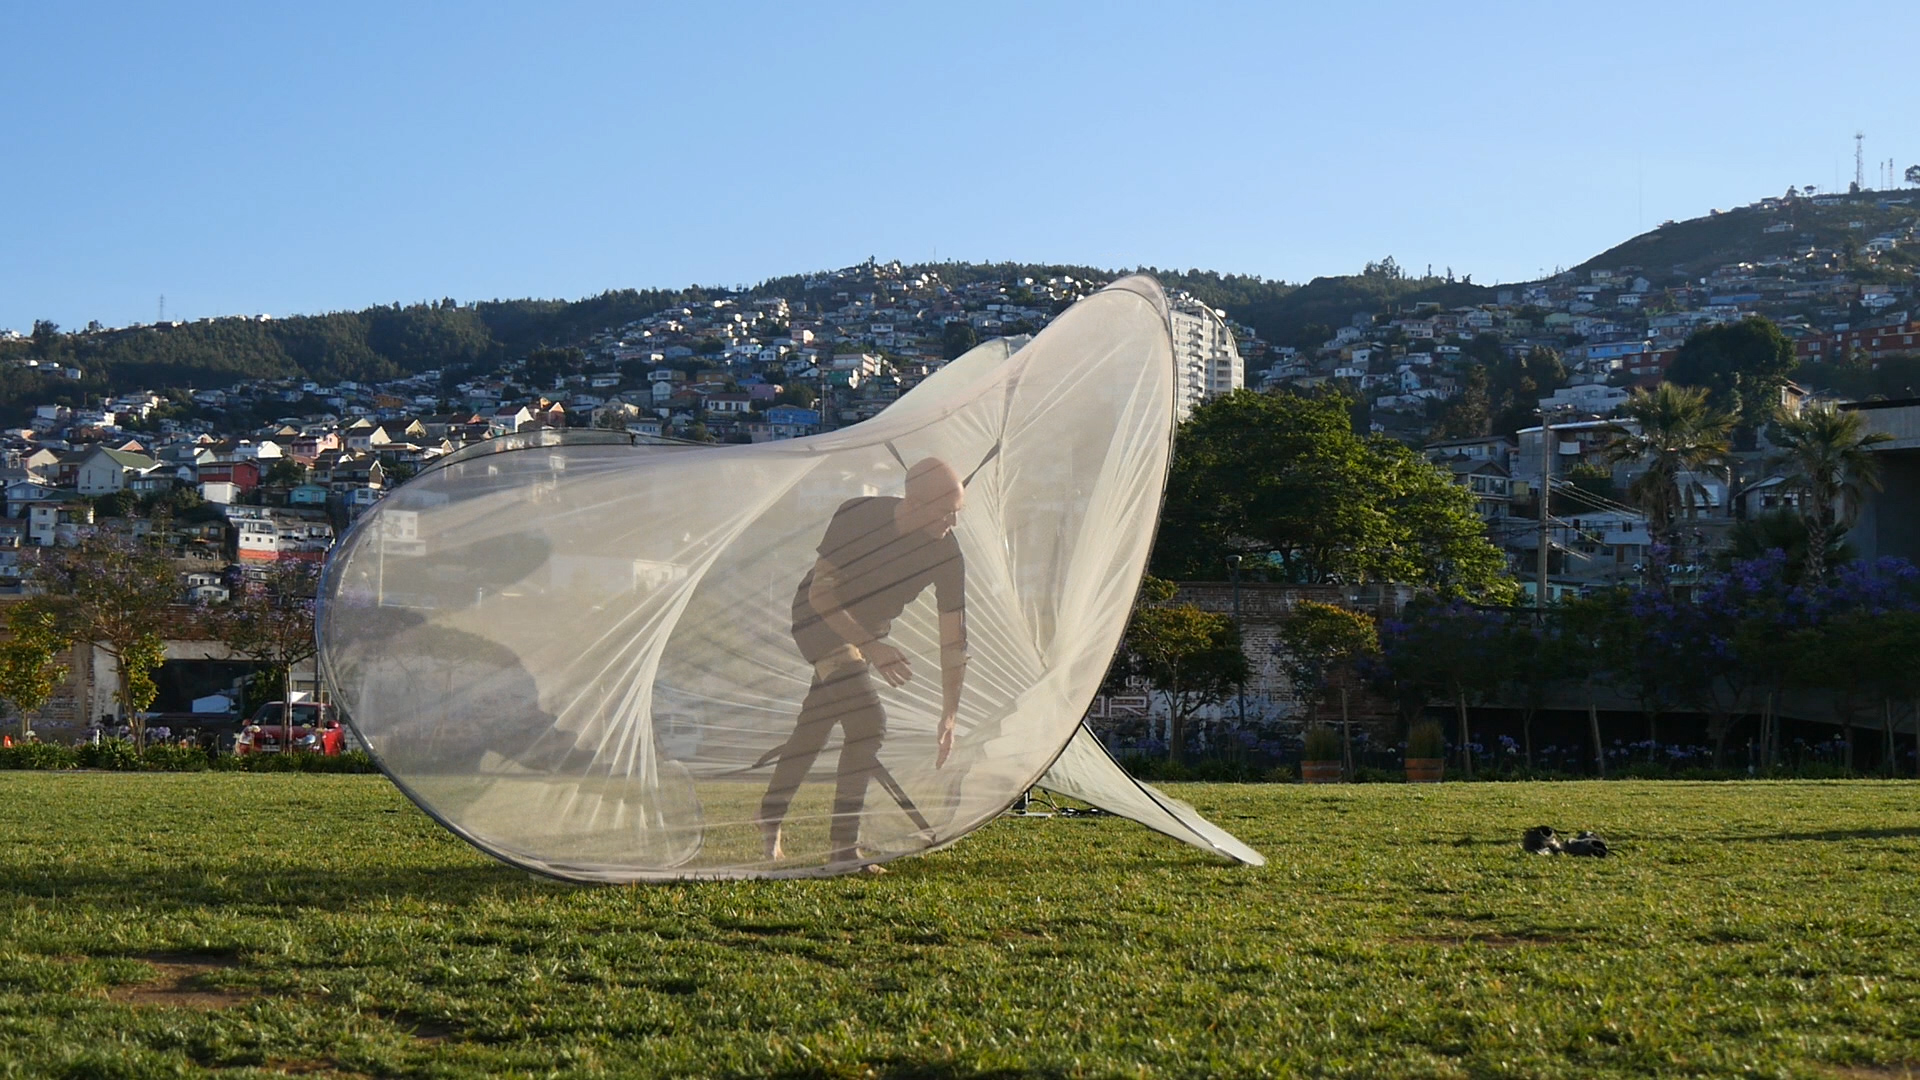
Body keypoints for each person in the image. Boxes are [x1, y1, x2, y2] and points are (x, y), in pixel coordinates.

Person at [759, 457, 969, 868]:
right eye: (947, 512)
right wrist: (873, 647)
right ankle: (843, 848)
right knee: (868, 722)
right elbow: (821, 596)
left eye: (958, 512)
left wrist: (950, 714)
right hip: (818, 620)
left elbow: (954, 640)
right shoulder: (857, 515)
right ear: (913, 503)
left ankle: (770, 813)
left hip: (866, 634)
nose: (954, 523)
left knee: (816, 724)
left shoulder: (947, 552)